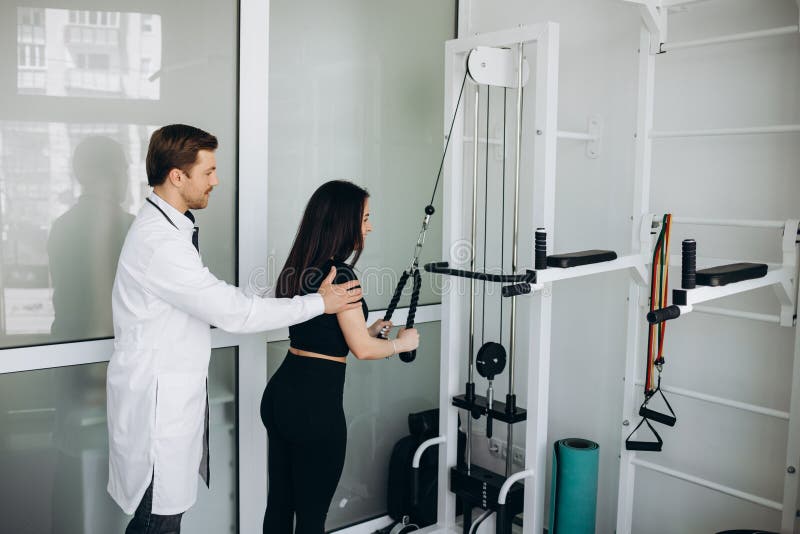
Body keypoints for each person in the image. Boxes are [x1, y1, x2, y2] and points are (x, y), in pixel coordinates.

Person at [107, 125, 363, 534]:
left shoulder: (172, 230)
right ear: (178, 176)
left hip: (170, 399)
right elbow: (231, 314)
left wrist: (269, 288)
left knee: (160, 517)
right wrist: (319, 302)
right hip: (157, 411)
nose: (216, 180)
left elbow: (207, 302)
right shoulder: (160, 243)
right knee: (157, 521)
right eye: (207, 171)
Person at [261, 180, 420, 534]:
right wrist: (401, 344)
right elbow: (362, 351)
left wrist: (372, 328)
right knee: (312, 517)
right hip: (314, 408)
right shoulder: (342, 276)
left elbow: (331, 335)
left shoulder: (301, 266)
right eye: (365, 217)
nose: (369, 226)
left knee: (280, 506)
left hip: (282, 395)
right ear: (345, 222)